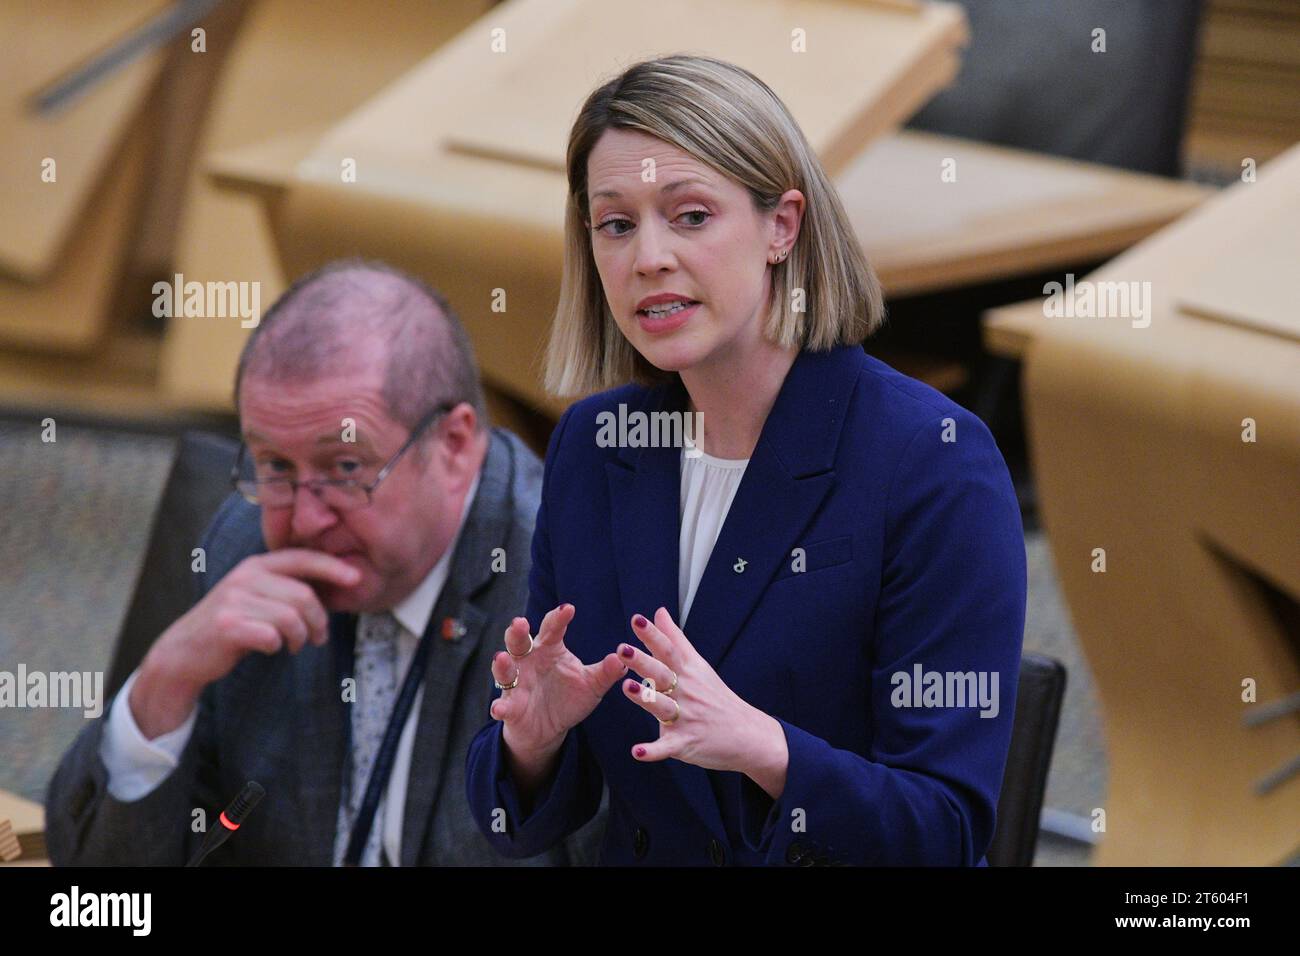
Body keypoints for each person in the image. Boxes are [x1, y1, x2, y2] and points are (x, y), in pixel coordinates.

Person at [466, 56, 1026, 866]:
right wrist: (536, 742)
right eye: (615, 225)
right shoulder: (598, 445)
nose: (647, 257)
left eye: (690, 216)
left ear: (782, 225)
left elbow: (944, 831)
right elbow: (519, 821)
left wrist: (763, 747)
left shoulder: (931, 462)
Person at [45, 260, 603, 866]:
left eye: (344, 468)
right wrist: (161, 686)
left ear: (454, 445)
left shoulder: (571, 592)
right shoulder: (244, 548)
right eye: (275, 467)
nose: (305, 521)